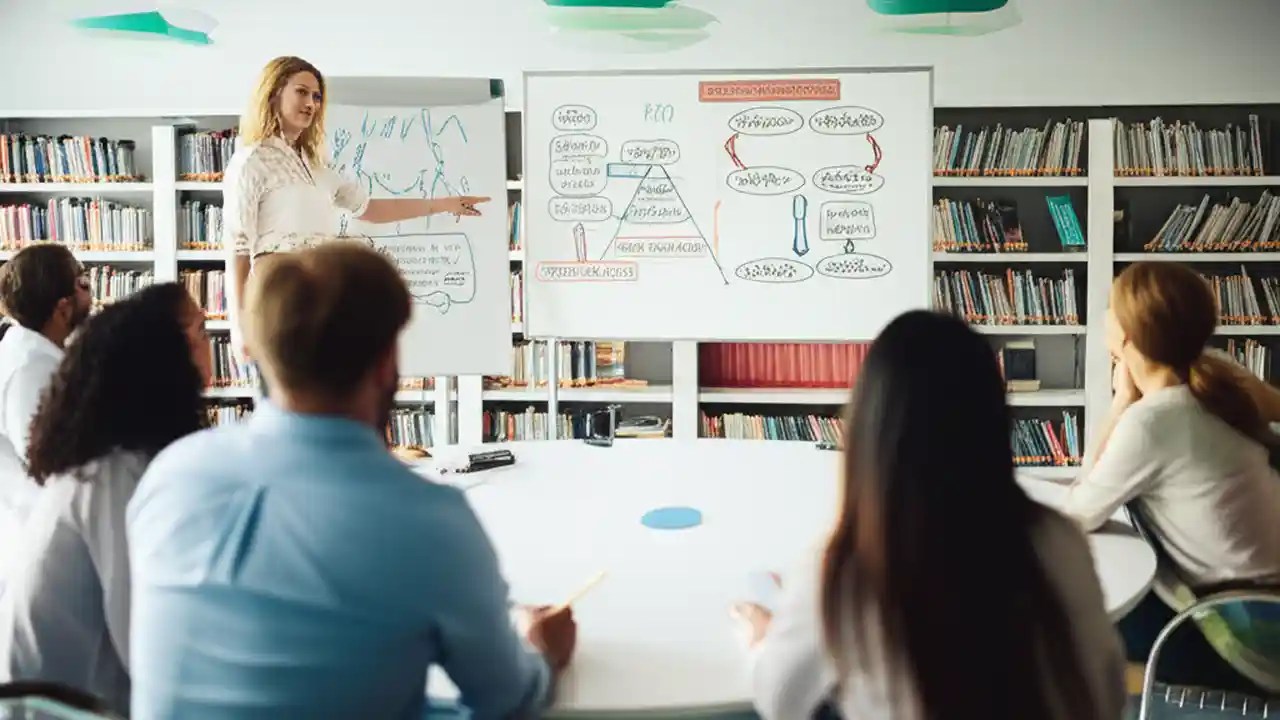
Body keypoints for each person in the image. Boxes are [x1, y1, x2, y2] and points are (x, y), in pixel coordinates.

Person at [128, 242, 575, 719]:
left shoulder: (172, 475)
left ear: (262, 354)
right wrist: (542, 652)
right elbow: (508, 699)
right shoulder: (428, 523)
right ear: (386, 363)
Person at [734, 310, 1125, 720]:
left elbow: (778, 701)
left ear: (869, 429)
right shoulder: (1060, 540)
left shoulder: (843, 570)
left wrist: (764, 638)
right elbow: (1108, 693)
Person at [1064, 261, 1280, 693]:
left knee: (1063, 623)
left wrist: (1122, 398)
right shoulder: (1219, 373)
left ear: (1125, 335)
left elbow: (1078, 509)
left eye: (1110, 307)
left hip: (1243, 632)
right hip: (1264, 599)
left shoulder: (1153, 422)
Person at [0, 283, 211, 716]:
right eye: (203, 332)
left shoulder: (122, 464)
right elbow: (147, 643)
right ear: (168, 357)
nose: (217, 346)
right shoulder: (113, 479)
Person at [223, 55, 489, 364]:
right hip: (277, 298)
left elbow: (371, 208)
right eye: (302, 91)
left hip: (320, 296)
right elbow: (237, 246)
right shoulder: (252, 160)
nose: (311, 102)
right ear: (273, 93)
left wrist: (443, 204)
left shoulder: (317, 168)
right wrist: (239, 328)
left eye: (317, 96)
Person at [0, 244, 91, 534]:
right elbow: (51, 463)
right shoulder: (31, 367)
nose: (91, 295)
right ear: (62, 309)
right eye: (83, 284)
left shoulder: (35, 352)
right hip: (36, 530)